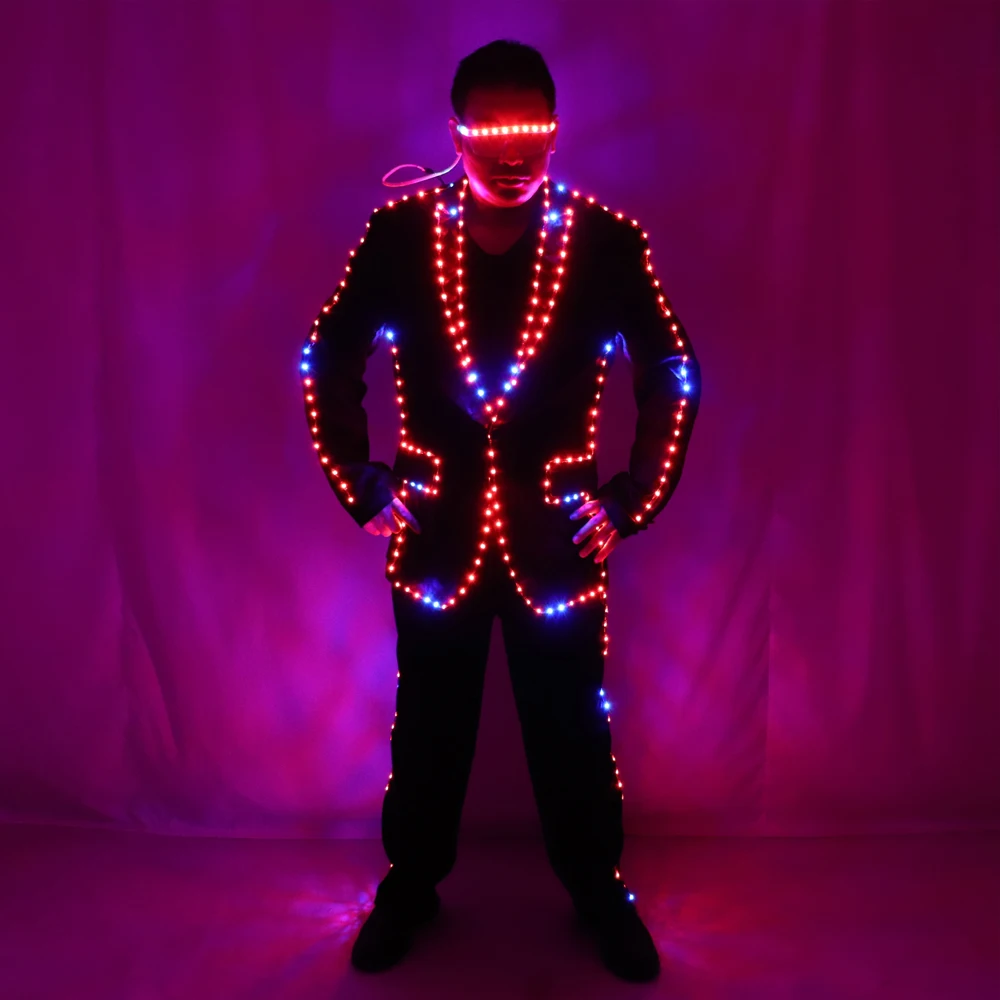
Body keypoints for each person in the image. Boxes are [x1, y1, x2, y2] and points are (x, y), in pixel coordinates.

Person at [300, 39, 700, 983]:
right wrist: (363, 483)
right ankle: (411, 883)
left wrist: (630, 502)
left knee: (573, 727)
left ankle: (597, 886)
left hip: (557, 540)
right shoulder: (401, 236)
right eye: (492, 131)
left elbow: (669, 371)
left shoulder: (604, 243)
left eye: (533, 130)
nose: (514, 153)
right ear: (456, 132)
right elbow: (332, 352)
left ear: (557, 131)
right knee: (428, 723)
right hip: (435, 534)